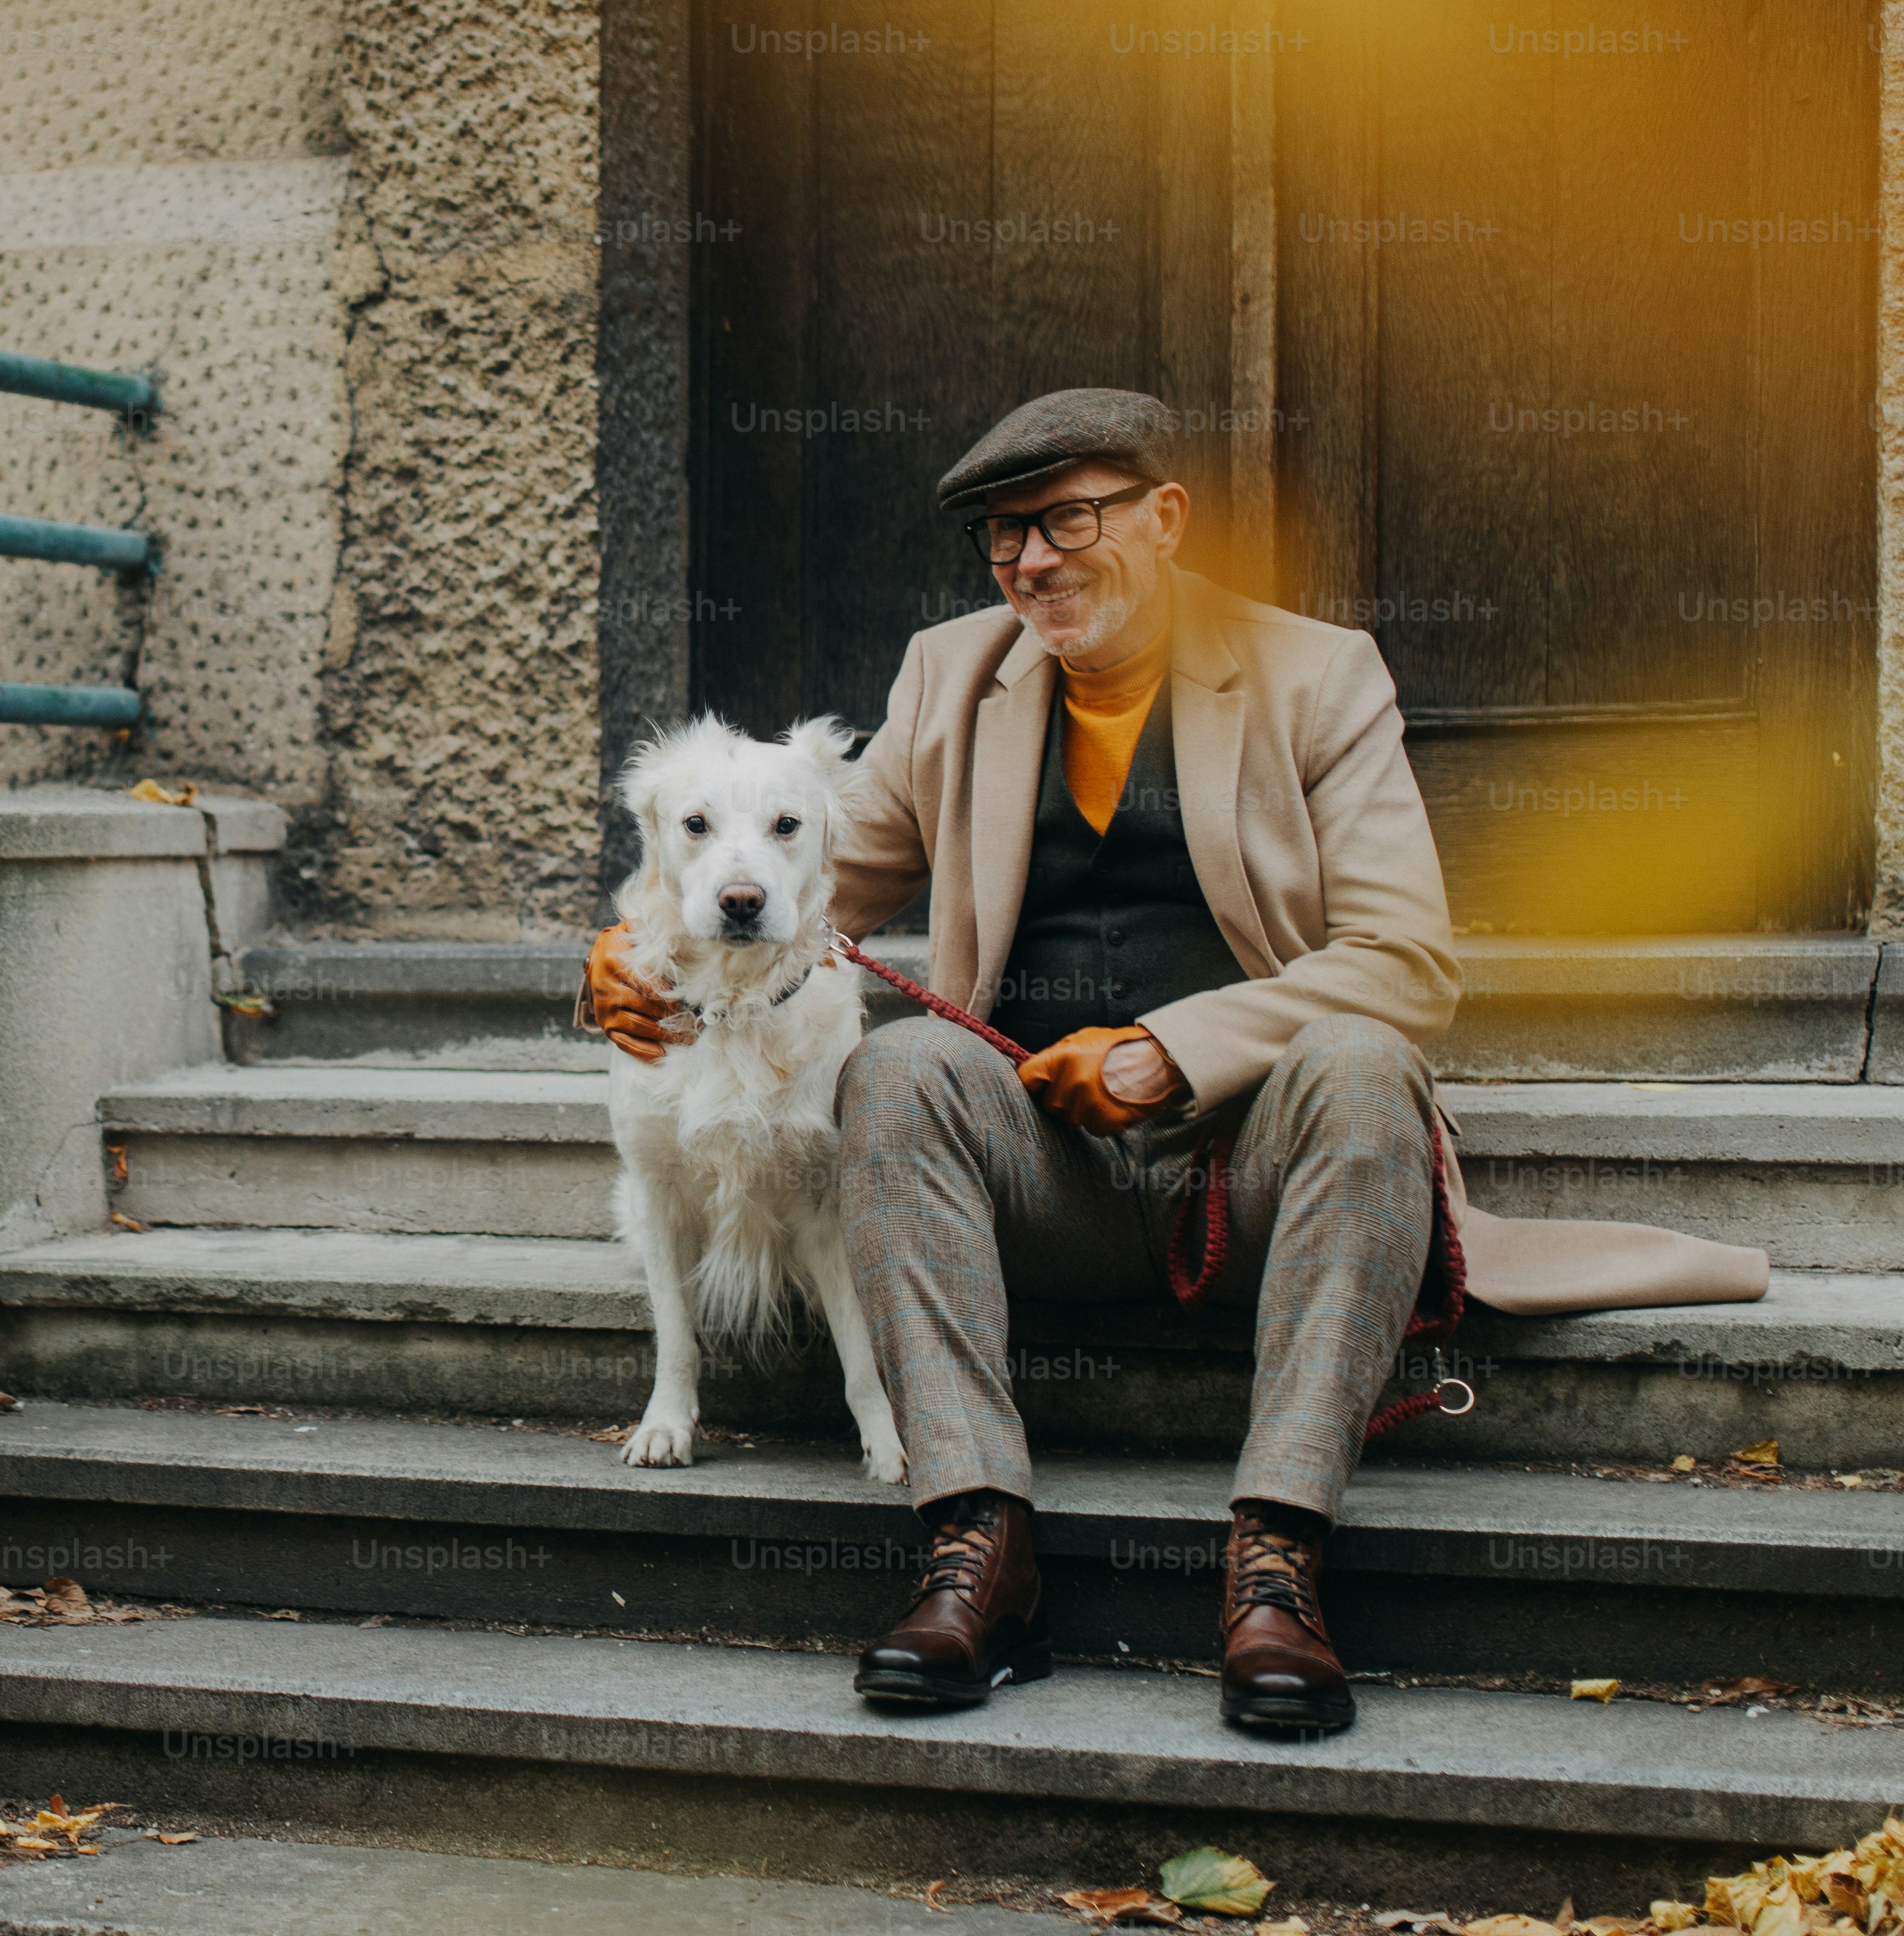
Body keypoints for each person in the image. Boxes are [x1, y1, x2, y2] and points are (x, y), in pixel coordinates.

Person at [583, 389, 1765, 1738]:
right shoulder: (951, 672)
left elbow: (1408, 957)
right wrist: (629, 949)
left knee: (1366, 1060)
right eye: (1003, 535)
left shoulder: (1317, 674)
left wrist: (1171, 1049)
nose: (1031, 560)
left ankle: (1275, 1562)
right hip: (1039, 1167)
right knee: (900, 1068)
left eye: (1067, 518)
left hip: (1250, 1171)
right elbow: (792, 875)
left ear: (1165, 518)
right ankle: (979, 1547)